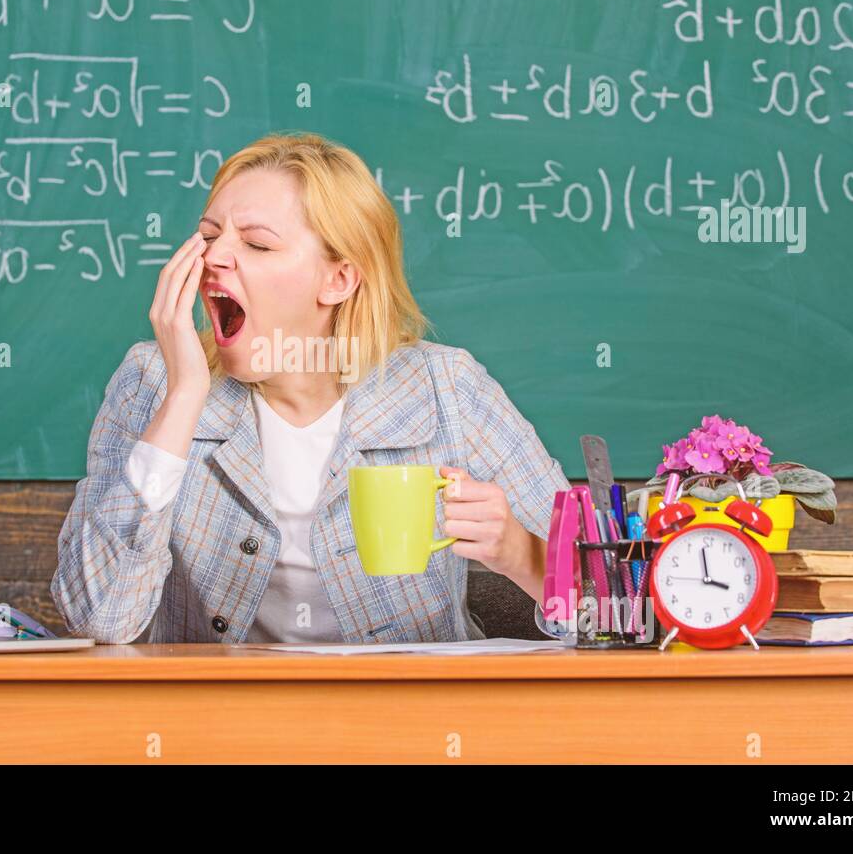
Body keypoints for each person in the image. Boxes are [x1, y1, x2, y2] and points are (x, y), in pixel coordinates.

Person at [52, 131, 568, 644]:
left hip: (417, 717)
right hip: (215, 718)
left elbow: (611, 604)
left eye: (256, 243)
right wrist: (184, 394)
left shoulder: (447, 388)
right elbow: (101, 618)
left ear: (338, 280)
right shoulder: (152, 382)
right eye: (209, 236)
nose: (213, 257)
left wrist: (524, 556)